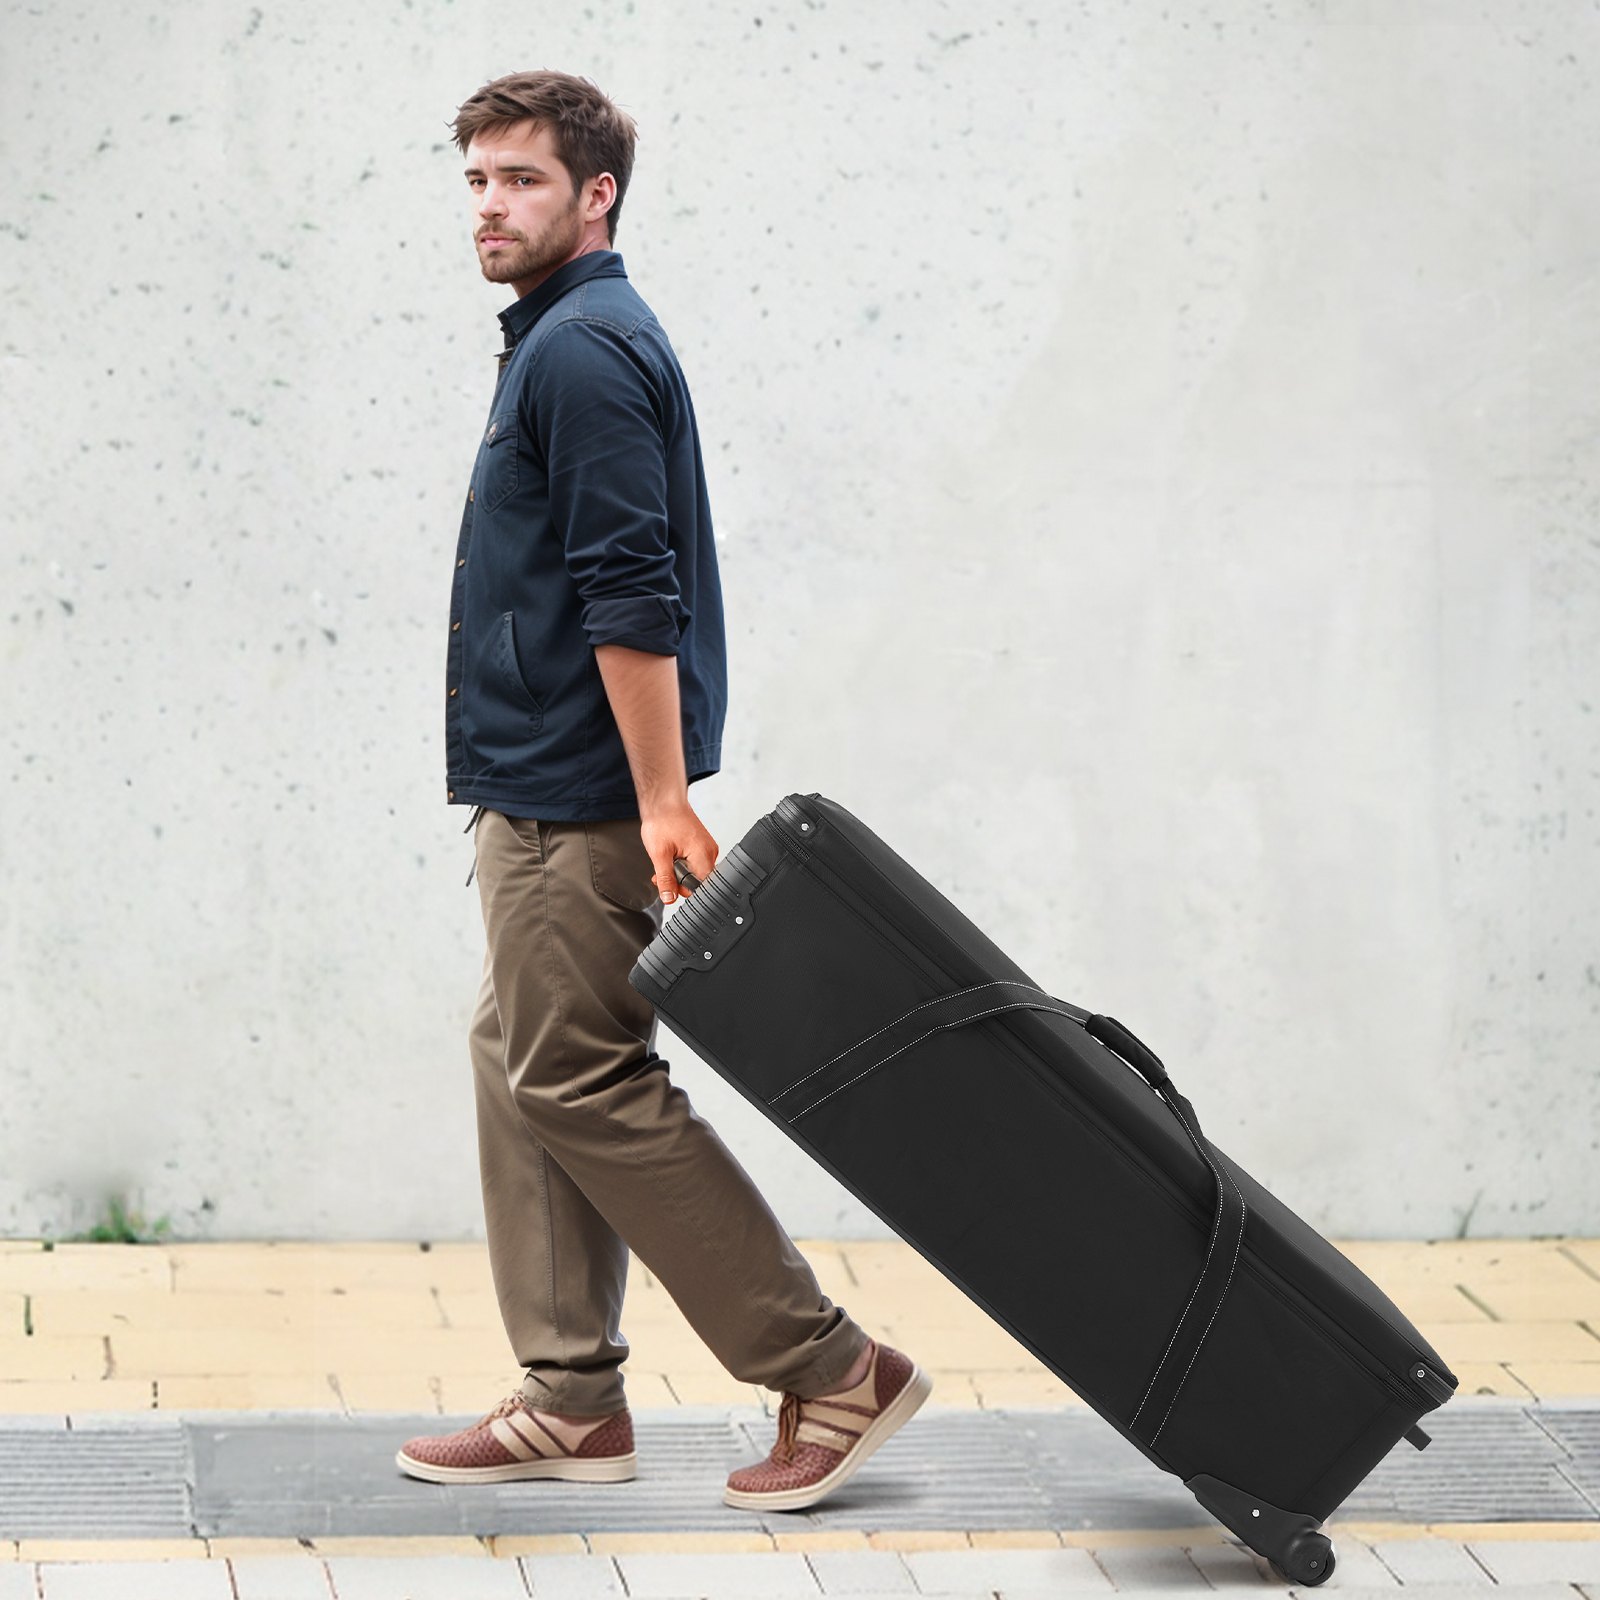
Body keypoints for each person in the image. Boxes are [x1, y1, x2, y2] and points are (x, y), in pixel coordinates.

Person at [394, 69, 929, 1511]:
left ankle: (830, 1369)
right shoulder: (568, 338)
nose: (490, 206)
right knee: (518, 1048)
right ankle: (569, 1396)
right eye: (476, 181)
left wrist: (656, 798)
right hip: (546, 779)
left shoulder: (579, 352)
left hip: (578, 796)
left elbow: (635, 595)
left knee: (579, 1071)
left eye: (520, 179)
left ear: (596, 193)